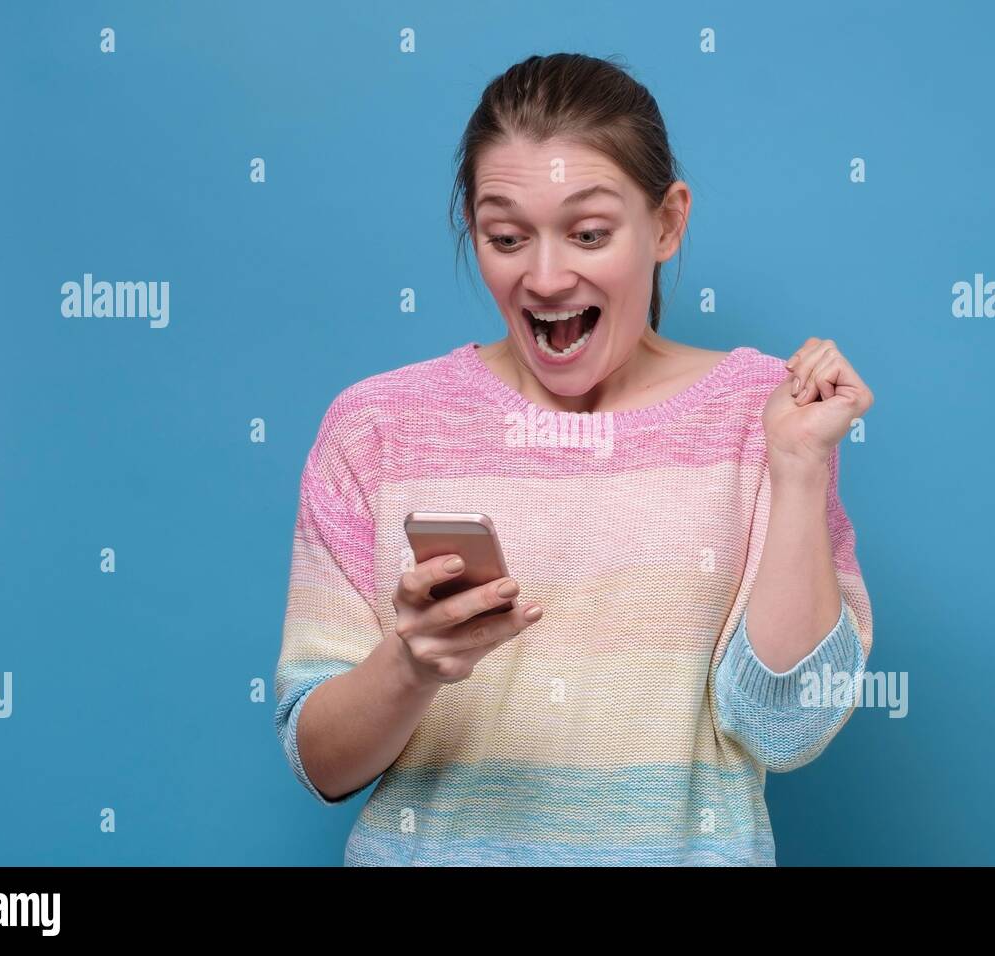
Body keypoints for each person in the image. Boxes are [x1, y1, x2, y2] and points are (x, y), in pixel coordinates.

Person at [273, 52, 875, 866]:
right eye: (506, 237)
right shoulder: (378, 426)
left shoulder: (764, 416)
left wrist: (799, 468)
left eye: (588, 234)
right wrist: (410, 667)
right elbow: (321, 763)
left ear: (666, 223)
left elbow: (788, 725)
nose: (547, 277)